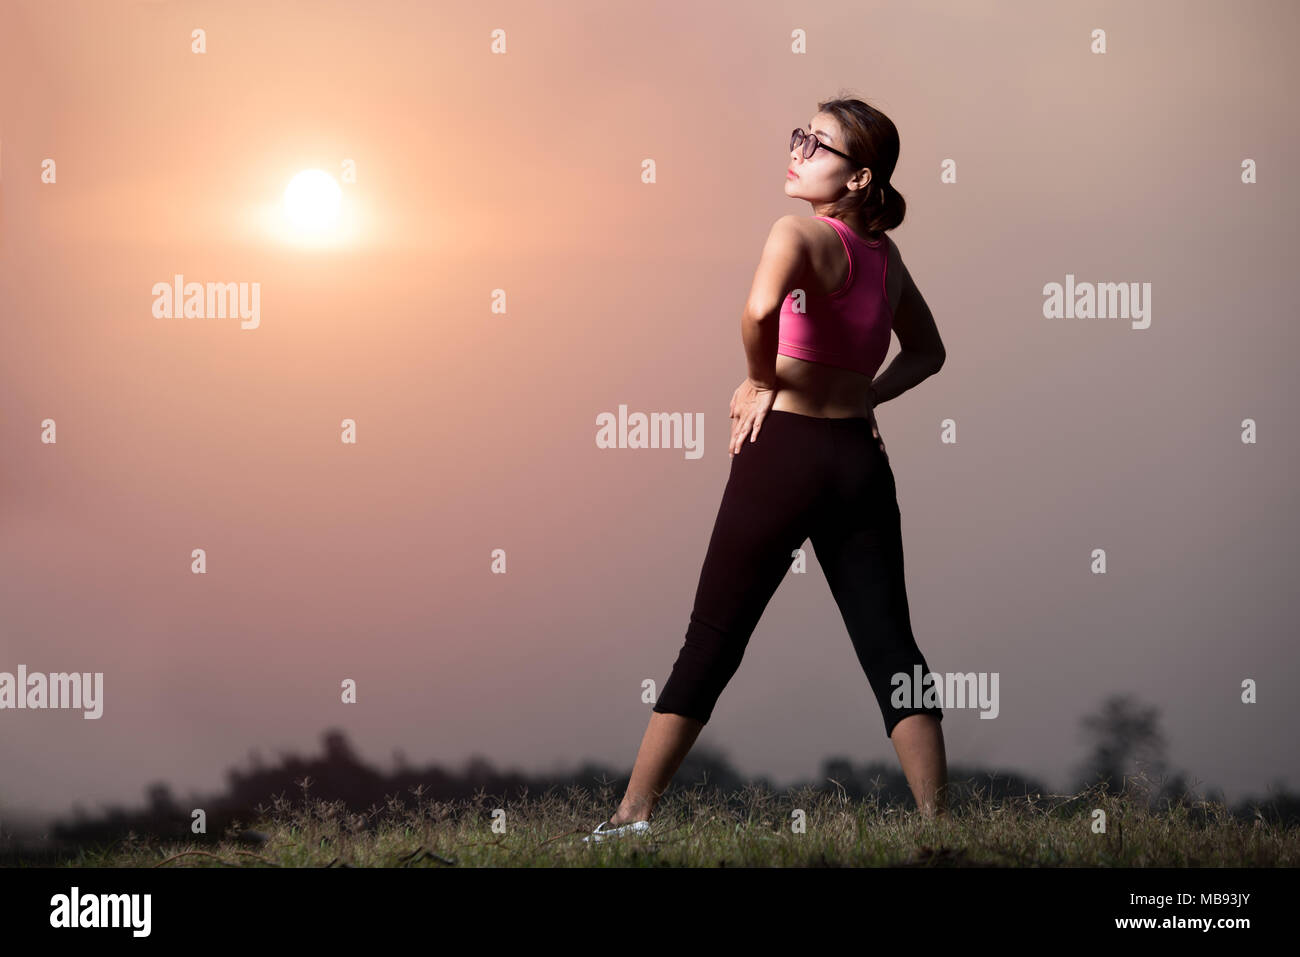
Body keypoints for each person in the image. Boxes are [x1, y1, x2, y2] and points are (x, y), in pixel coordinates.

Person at [584, 96, 949, 844]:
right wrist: (864, 396)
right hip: (859, 462)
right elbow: (929, 352)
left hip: (783, 452)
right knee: (892, 645)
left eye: (819, 144)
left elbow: (756, 314)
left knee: (713, 637)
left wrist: (761, 381)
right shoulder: (888, 258)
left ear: (859, 178)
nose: (798, 150)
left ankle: (631, 817)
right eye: (800, 136)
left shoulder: (796, 232)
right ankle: (938, 827)